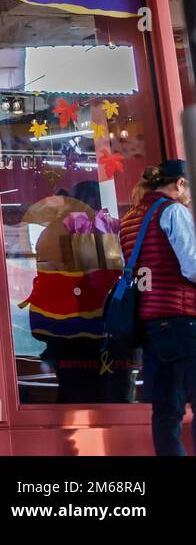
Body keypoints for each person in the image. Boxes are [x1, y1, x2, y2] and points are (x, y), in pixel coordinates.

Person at [118, 159, 196, 455]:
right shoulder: (173, 210)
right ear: (180, 184)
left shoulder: (129, 219)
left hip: (151, 325)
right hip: (181, 318)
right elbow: (192, 267)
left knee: (166, 410)